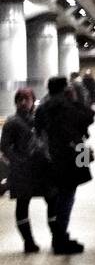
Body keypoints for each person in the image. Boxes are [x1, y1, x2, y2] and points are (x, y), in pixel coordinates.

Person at [34, 75, 95, 254]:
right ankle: (60, 239)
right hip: (71, 156)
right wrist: (75, 99)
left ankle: (60, 236)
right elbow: (88, 118)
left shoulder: (42, 107)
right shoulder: (68, 105)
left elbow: (38, 131)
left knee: (58, 198)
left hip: (50, 158)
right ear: (65, 89)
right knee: (67, 197)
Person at [0, 88, 51, 253]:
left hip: (40, 168)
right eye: (20, 100)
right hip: (22, 171)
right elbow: (4, 146)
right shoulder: (12, 122)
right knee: (22, 204)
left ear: (32, 101)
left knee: (52, 199)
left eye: (26, 99)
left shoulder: (37, 120)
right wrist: (17, 161)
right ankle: (28, 242)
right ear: (16, 102)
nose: (23, 103)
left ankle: (57, 235)